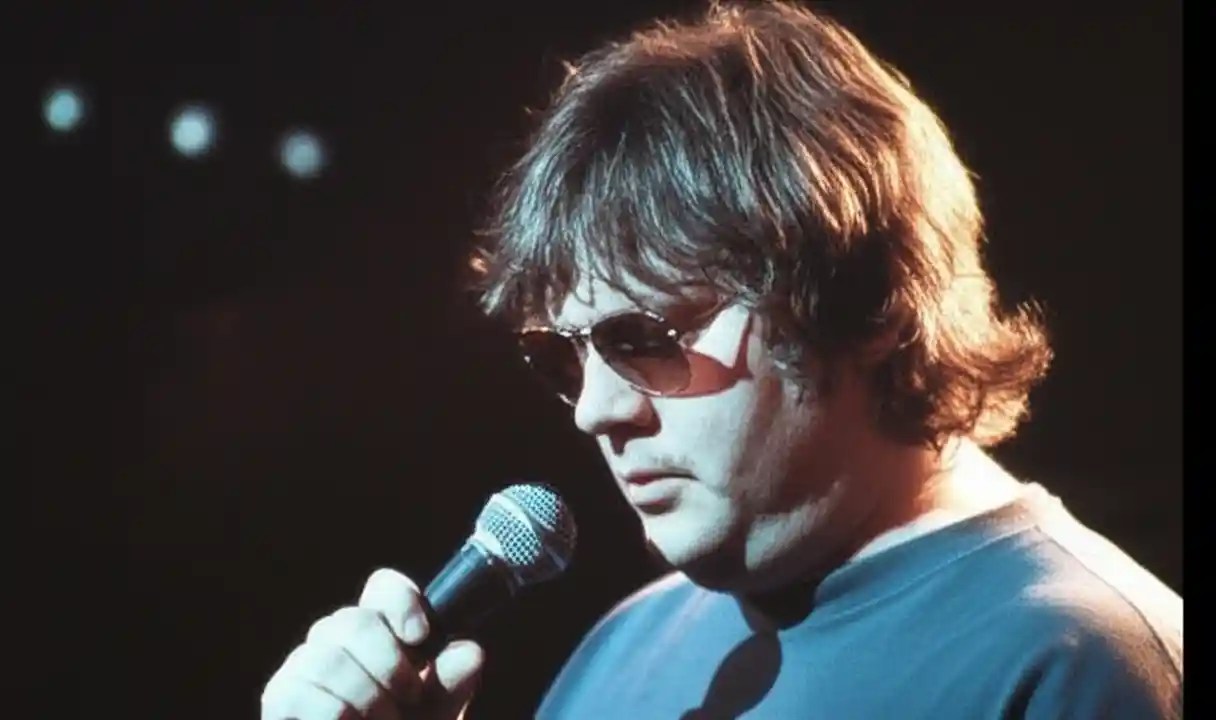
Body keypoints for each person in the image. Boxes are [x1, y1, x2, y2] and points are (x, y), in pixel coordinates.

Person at [260, 1, 1183, 718]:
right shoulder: (624, 647)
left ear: (865, 302)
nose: (594, 410)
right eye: (562, 356)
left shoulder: (1082, 667)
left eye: (642, 339)